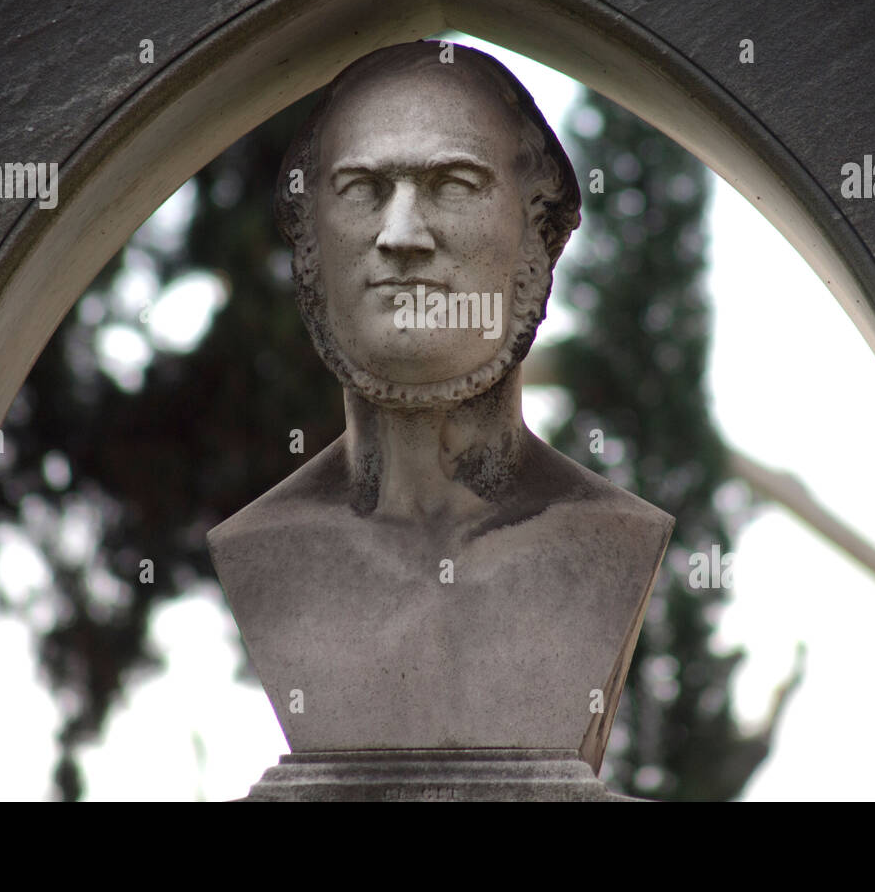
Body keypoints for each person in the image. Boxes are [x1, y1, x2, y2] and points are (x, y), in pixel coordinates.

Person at [208, 41, 672, 773]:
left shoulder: (614, 540)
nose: (401, 236)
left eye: (453, 183)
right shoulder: (260, 547)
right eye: (362, 188)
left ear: (540, 233)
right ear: (307, 241)